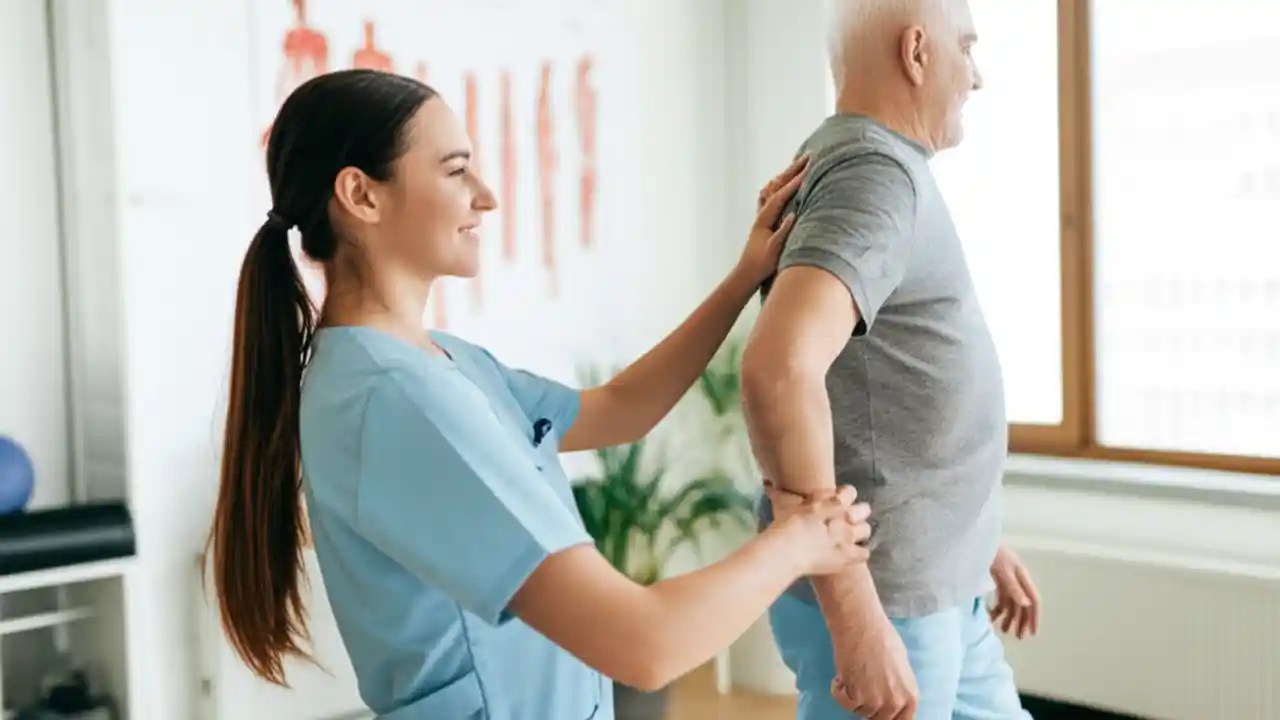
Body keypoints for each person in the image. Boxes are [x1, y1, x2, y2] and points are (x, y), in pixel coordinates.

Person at [206, 69, 873, 719]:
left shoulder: (437, 363)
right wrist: (797, 542)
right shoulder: (396, 401)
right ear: (362, 195)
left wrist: (742, 279)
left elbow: (618, 410)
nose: (486, 195)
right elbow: (645, 644)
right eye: (454, 169)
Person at [741, 1, 1042, 718]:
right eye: (966, 48)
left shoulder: (872, 166)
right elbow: (779, 372)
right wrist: (854, 616)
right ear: (916, 52)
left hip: (933, 583)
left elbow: (873, 390)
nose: (977, 76)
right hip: (889, 600)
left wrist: (971, 541)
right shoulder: (874, 177)